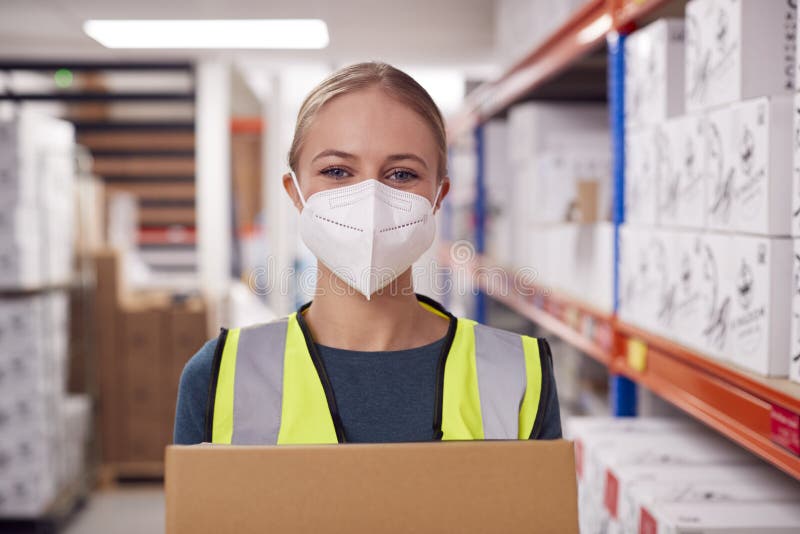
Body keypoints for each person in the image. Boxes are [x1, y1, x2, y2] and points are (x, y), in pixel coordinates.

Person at [174, 61, 561, 445]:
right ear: (296, 194)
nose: (371, 199)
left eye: (402, 174)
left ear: (438, 198)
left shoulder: (518, 375)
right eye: (338, 171)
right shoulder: (220, 376)